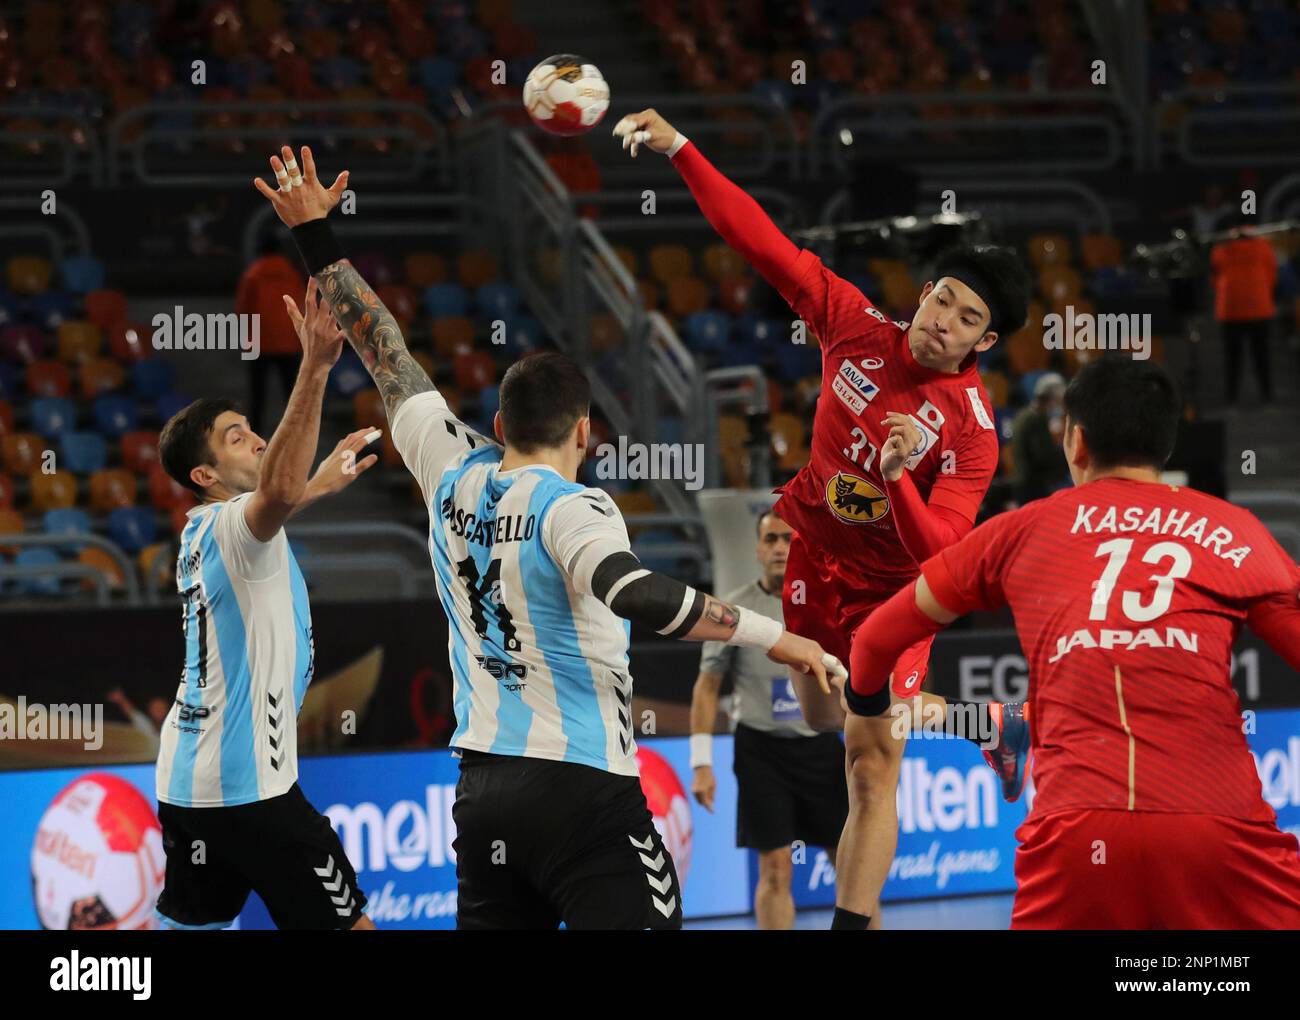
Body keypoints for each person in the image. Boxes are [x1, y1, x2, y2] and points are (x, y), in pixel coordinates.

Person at [253, 142, 846, 930]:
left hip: (485, 795)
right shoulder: (577, 506)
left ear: (498, 425)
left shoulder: (449, 468)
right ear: (585, 433)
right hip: (583, 791)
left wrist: (316, 238)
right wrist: (783, 639)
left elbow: (381, 346)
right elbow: (635, 594)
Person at [614, 109, 1032, 929]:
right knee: (818, 715)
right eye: (941, 298)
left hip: (894, 600)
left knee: (869, 763)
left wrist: (901, 477)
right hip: (812, 559)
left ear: (987, 341)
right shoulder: (855, 326)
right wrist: (684, 150)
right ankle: (987, 722)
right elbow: (763, 243)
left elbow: (943, 551)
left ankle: (851, 922)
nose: (942, 319)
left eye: (966, 317)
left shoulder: (974, 433)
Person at [843, 357, 1300, 928]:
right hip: (1220, 830)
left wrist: (865, 704)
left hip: (1078, 837)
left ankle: (1005, 722)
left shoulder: (1021, 529)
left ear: (1075, 441)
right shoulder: (1237, 532)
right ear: (1165, 444)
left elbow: (876, 640)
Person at [154, 277, 381, 930]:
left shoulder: (210, 531)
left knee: (195, 925)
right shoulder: (228, 523)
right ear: (204, 477)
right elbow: (272, 499)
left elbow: (274, 505)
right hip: (252, 791)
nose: (255, 439)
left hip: (188, 786)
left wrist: (313, 486)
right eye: (236, 438)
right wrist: (312, 366)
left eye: (252, 429)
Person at [690, 510, 850, 929]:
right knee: (776, 869)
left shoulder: (828, 601)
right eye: (772, 540)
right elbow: (707, 686)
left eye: (789, 540)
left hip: (822, 747)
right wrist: (701, 762)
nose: (781, 548)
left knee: (852, 872)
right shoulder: (731, 611)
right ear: (759, 550)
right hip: (760, 750)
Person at [236, 234, 307, 431]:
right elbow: (301, 305)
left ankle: (256, 433)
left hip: (259, 342)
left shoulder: (252, 274)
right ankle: (296, 432)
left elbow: (243, 308)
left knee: (258, 393)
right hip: (288, 341)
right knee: (292, 392)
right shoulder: (293, 274)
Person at [1211, 222, 1277, 404]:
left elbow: (1214, 277)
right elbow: (1272, 274)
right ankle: (1267, 394)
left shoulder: (1221, 248)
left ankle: (1231, 396)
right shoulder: (1263, 245)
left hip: (1231, 309)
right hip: (1259, 308)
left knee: (1232, 357)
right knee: (1261, 355)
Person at [1009, 371, 1068, 504]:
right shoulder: (1036, 418)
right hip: (1032, 487)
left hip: (1024, 482)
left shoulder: (1024, 414)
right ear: (1052, 397)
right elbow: (1042, 456)